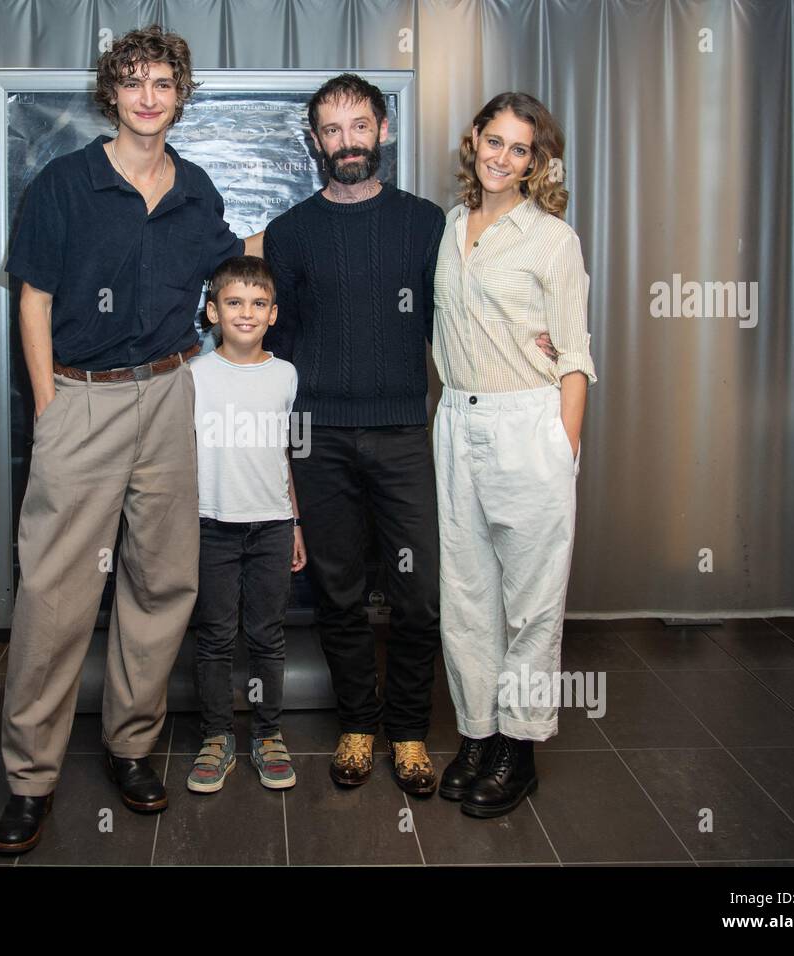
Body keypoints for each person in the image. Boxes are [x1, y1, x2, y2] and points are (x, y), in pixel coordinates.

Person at [0, 24, 261, 854]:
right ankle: (30, 779)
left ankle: (132, 748)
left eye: (164, 82)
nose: (149, 96)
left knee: (162, 582)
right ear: (113, 94)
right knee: (54, 593)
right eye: (134, 81)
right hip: (82, 398)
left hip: (172, 394)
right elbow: (32, 298)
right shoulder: (64, 184)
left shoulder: (199, 189)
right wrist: (49, 405)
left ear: (181, 96)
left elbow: (235, 264)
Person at [263, 74, 448, 795]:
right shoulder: (290, 233)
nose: (347, 143)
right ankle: (358, 727)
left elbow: (451, 329)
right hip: (319, 438)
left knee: (418, 593)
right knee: (337, 593)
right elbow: (276, 355)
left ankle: (408, 733)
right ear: (315, 142)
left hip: (405, 432)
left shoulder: (426, 224)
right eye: (332, 131)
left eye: (359, 127)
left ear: (384, 131)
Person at [431, 91, 597, 818]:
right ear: (473, 142)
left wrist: (561, 447)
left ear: (536, 161)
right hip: (457, 420)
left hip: (528, 425)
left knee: (531, 605)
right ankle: (477, 736)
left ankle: (519, 751)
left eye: (519, 148)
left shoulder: (553, 240)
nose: (502, 157)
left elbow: (576, 356)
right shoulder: (448, 226)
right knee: (466, 597)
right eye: (493, 141)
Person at [185, 255, 307, 794]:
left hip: (273, 526)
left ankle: (268, 734)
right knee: (213, 637)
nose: (246, 313)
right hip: (211, 525)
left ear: (274, 314)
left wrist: (296, 522)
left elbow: (289, 452)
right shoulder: (192, 376)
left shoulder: (287, 375)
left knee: (267, 637)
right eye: (234, 302)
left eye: (259, 304)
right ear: (213, 311)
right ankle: (216, 737)